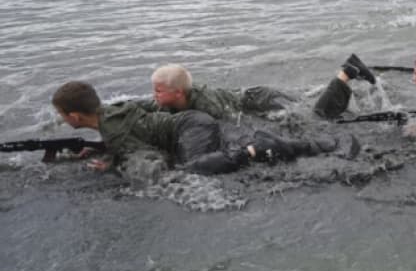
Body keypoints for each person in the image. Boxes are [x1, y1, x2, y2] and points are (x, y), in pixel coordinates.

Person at [53, 81, 357, 176]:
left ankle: (250, 151)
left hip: (193, 128)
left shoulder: (113, 131)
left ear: (76, 117)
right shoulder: (112, 110)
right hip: (192, 123)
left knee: (190, 170)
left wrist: (115, 164)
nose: (63, 120)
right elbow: (134, 128)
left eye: (62, 115)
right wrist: (104, 151)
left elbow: (149, 157)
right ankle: (257, 146)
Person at [143, 55, 375, 121]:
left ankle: (346, 72)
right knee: (306, 103)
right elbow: (145, 105)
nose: (154, 95)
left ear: (178, 93)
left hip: (262, 99)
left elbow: (233, 123)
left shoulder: (206, 105)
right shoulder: (172, 100)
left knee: (313, 118)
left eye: (158, 91)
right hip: (258, 96)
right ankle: (348, 72)